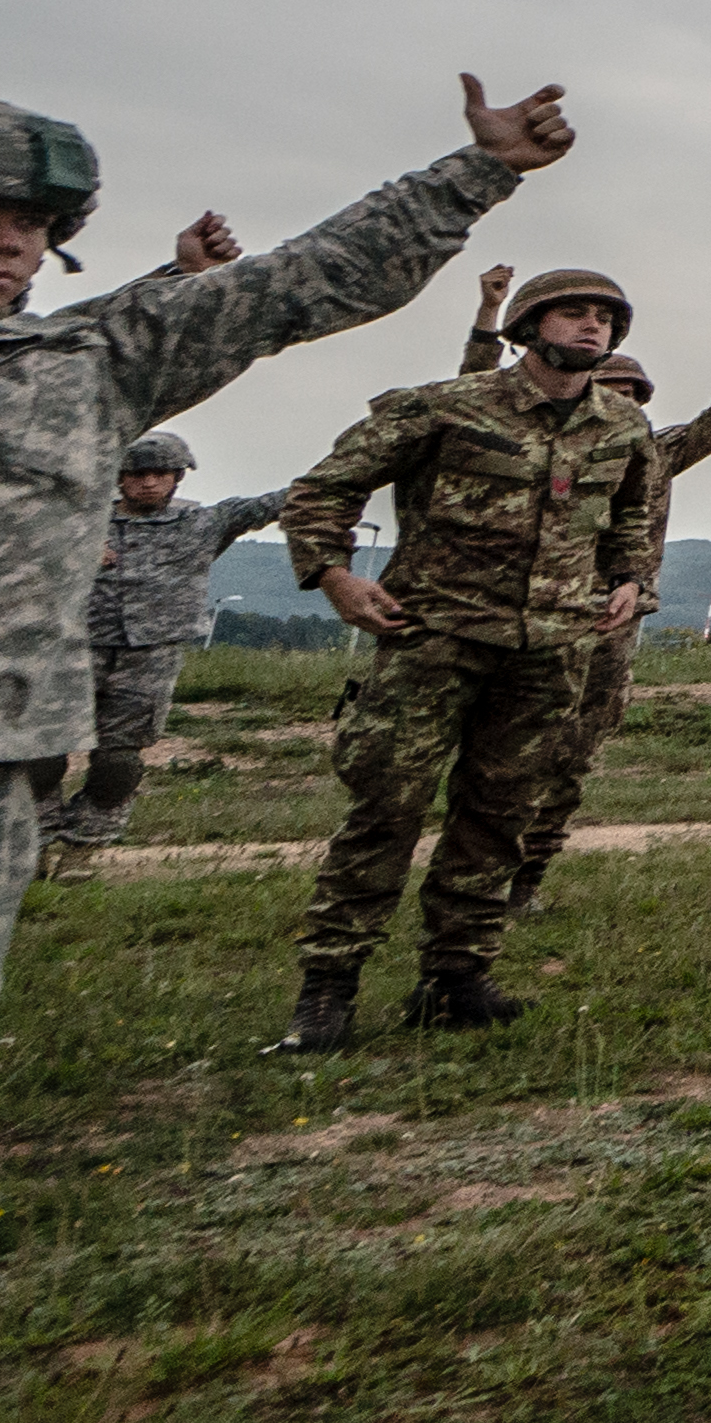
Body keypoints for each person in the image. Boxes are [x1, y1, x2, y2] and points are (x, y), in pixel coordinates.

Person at [0, 73, 564, 1110]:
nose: (9, 239)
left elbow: (300, 283)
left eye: (33, 220)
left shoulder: (84, 361)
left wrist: (481, 170)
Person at [274, 267, 662, 1048]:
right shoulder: (446, 406)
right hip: (432, 639)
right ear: (526, 325)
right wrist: (334, 576)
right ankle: (328, 988)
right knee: (386, 808)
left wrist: (628, 582)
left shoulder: (621, 426)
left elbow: (631, 513)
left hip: (548, 651)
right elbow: (322, 488)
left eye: (604, 318)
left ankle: (454, 978)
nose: (592, 328)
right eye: (573, 313)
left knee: (499, 817)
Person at [455, 268, 711, 914]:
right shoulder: (539, 438)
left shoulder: (658, 453)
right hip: (535, 617)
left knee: (574, 756)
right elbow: (472, 395)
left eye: (636, 392)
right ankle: (475, 879)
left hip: (614, 627)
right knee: (505, 752)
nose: (626, 399)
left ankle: (525, 885)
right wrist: (488, 314)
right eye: (613, 387)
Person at [40, 431, 287, 871]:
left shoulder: (201, 523)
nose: (149, 483)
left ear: (177, 477)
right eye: (138, 474)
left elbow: (278, 501)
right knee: (41, 752)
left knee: (119, 759)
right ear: (118, 477)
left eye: (161, 474)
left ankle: (84, 847)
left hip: (149, 656)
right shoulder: (76, 522)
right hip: (71, 649)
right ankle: (32, 843)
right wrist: (74, 550)